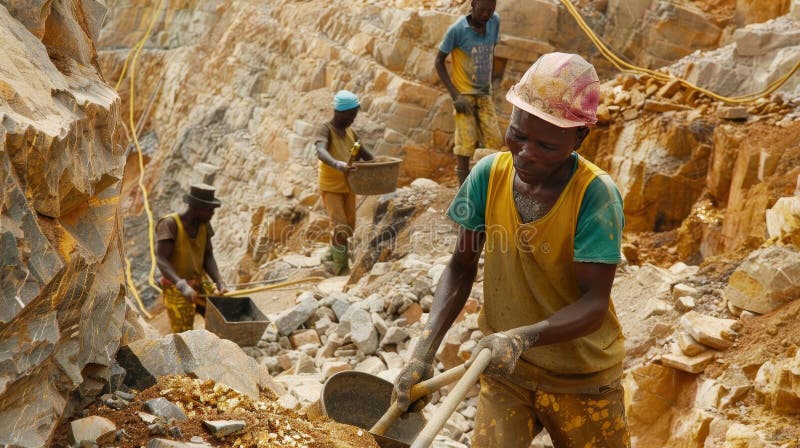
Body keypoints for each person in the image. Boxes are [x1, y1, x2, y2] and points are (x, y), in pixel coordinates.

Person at [393, 53, 631, 447]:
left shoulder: (596, 196)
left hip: (581, 377)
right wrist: (423, 351)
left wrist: (520, 338)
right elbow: (460, 267)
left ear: (579, 138)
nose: (526, 152)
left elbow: (594, 304)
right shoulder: (487, 175)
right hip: (506, 370)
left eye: (545, 145)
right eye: (518, 134)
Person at [435, 0, 504, 186]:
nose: (486, 14)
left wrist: (491, 80)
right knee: (465, 143)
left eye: (490, 10)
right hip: (464, 93)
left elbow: (492, 49)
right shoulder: (457, 30)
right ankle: (462, 190)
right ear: (473, 4)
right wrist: (455, 95)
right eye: (482, 10)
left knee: (494, 140)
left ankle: (485, 184)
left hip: (484, 92)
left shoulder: (494, 21)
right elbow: (439, 61)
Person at [315, 90, 374, 275]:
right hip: (331, 186)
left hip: (349, 185)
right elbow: (320, 151)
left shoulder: (350, 132)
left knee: (348, 227)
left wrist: (380, 166)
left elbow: (365, 154)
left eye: (355, 114)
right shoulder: (325, 129)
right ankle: (341, 269)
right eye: (351, 114)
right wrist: (336, 164)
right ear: (339, 112)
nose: (353, 119)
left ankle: (332, 254)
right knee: (340, 226)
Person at [156, 183, 227, 333]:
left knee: (220, 317)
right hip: (177, 287)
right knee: (184, 335)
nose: (212, 214)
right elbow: (161, 259)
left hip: (199, 281)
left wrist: (219, 281)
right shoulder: (170, 224)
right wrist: (182, 285)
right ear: (196, 208)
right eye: (210, 210)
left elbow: (208, 256)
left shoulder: (204, 225)